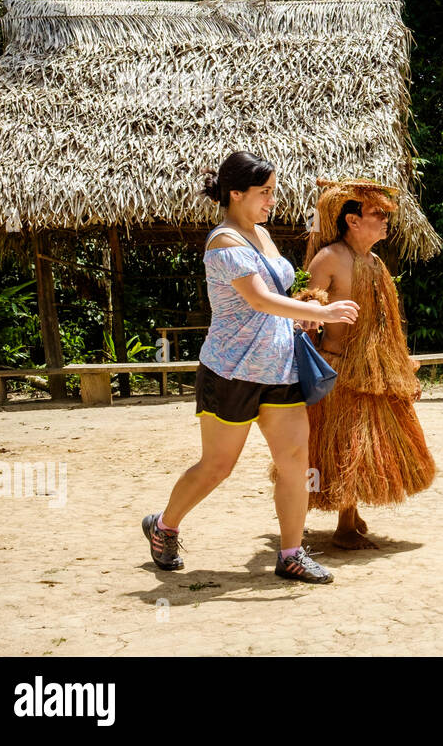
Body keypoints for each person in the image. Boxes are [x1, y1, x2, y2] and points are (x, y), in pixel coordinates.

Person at [143, 151, 359, 584]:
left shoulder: (261, 234)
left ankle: (291, 554)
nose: (271, 201)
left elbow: (277, 291)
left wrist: (305, 311)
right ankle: (163, 525)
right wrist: (324, 311)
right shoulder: (224, 242)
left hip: (280, 369)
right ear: (235, 194)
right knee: (217, 466)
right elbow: (259, 299)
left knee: (295, 462)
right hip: (231, 371)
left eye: (273, 193)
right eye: (265, 193)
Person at [299, 178, 436, 549]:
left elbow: (385, 322)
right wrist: (313, 304)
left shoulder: (375, 263)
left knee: (367, 442)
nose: (385, 220)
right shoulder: (329, 258)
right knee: (346, 442)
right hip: (340, 369)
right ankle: (344, 522)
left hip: (375, 370)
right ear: (353, 221)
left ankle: (351, 513)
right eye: (377, 214)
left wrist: (400, 365)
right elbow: (306, 308)